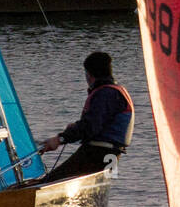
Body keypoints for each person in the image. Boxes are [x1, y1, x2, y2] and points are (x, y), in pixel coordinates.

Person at [38, 51, 134, 183]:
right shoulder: (116, 91)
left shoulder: (105, 93)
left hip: (99, 153)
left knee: (49, 183)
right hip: (112, 155)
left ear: (89, 74)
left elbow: (90, 127)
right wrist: (76, 127)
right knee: (94, 187)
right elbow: (97, 123)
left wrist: (60, 139)